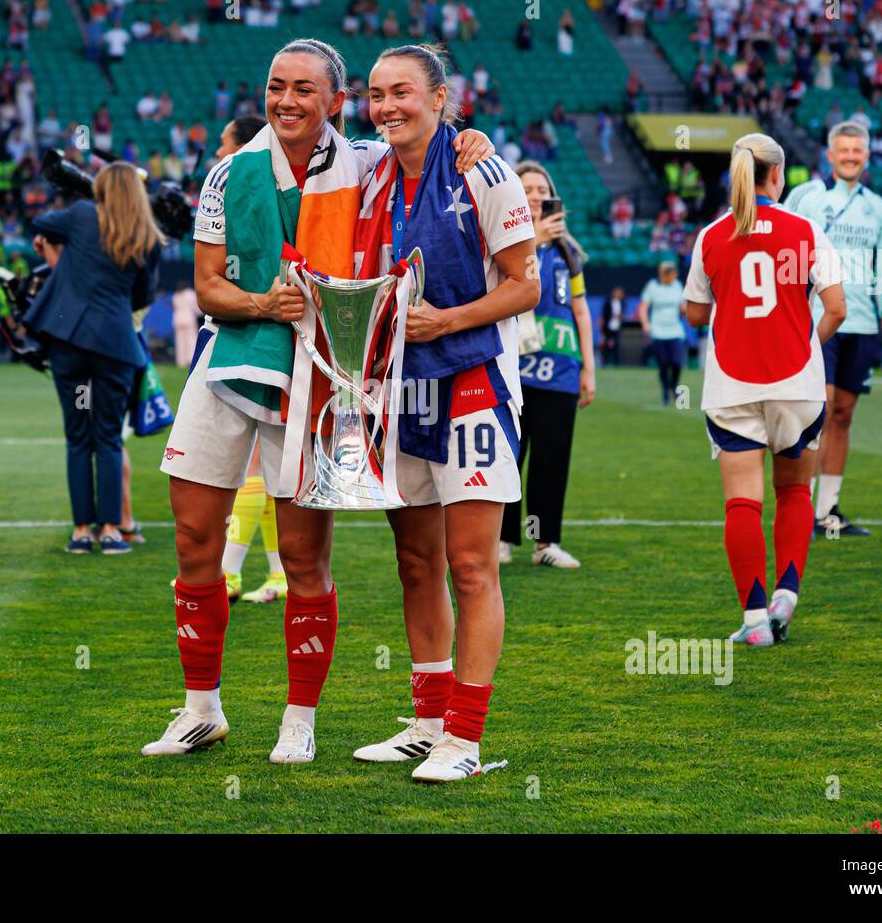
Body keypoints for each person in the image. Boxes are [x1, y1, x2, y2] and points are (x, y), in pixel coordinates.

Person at [143, 38, 494, 765]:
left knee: (304, 555)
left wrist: (470, 137)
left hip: (320, 374)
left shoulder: (368, 160)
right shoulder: (227, 173)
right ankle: (200, 708)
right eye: (277, 86)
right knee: (193, 538)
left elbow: (428, 143)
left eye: (306, 89)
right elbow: (208, 287)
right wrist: (259, 302)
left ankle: (298, 719)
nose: (287, 100)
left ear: (336, 103)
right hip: (229, 358)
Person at [351, 43, 539, 782]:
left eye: (402, 92)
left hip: (473, 382)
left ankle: (465, 738)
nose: (387, 105)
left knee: (470, 564)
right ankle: (426, 722)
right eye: (375, 94)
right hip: (398, 388)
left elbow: (525, 286)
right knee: (414, 560)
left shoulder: (481, 169)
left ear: (440, 98)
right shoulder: (368, 172)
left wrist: (448, 320)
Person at [684, 133, 847, 646]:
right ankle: (788, 593)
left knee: (742, 504)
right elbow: (837, 308)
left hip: (732, 384)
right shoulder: (806, 230)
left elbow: (693, 313)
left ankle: (755, 621)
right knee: (796, 490)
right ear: (777, 175)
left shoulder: (711, 235)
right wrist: (808, 343)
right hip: (797, 382)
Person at [25, 162, 164, 554]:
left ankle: (82, 531)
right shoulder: (147, 234)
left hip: (69, 341)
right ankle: (111, 530)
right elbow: (141, 297)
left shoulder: (83, 214)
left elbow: (43, 223)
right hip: (115, 344)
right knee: (108, 439)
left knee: (77, 438)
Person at [784, 121, 882, 537]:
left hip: (864, 322)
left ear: (867, 155)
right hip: (818, 318)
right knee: (819, 411)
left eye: (858, 150)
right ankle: (803, 507)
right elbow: (786, 253)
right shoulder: (806, 197)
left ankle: (828, 511)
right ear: (829, 155)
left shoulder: (879, 208)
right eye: (844, 149)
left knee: (844, 415)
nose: (851, 156)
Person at [208, 114, 289, 604]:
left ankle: (232, 573)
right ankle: (271, 573)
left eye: (225, 144)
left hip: (265, 343)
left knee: (260, 472)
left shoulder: (251, 187)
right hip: (259, 339)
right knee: (267, 475)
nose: (220, 154)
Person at [499, 160, 595, 569]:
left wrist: (588, 368)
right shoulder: (503, 239)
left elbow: (581, 309)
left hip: (559, 370)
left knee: (551, 460)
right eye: (527, 188)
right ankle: (501, 540)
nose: (536, 195)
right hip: (513, 370)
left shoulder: (568, 250)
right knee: (507, 460)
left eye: (542, 189)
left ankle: (544, 544)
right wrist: (534, 241)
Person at [638, 260, 687, 406]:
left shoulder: (677, 285)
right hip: (659, 331)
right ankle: (665, 392)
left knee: (677, 363)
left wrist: (686, 310)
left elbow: (682, 307)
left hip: (675, 331)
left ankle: (674, 386)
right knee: (663, 364)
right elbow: (643, 307)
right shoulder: (652, 287)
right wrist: (646, 324)